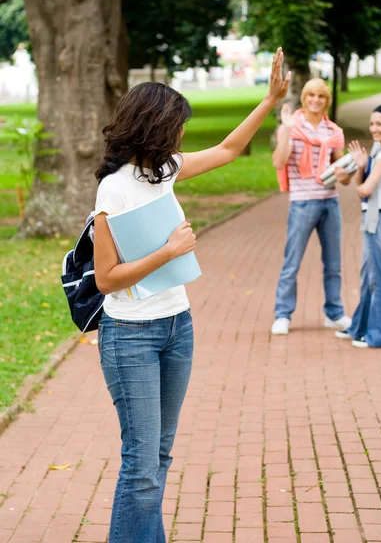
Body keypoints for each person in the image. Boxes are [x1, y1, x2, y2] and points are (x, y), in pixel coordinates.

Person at [93, 48, 290, 543]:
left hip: (177, 326)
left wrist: (269, 100)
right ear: (153, 126)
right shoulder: (114, 191)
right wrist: (171, 249)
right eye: (176, 124)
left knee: (159, 456)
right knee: (140, 466)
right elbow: (107, 279)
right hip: (130, 337)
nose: (181, 133)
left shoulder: (165, 170)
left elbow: (226, 151)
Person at [271, 78, 352, 336]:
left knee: (333, 263)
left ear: (326, 101)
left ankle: (334, 313)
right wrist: (285, 130)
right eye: (311, 95)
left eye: (320, 96)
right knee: (292, 262)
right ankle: (282, 314)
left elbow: (344, 173)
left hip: (330, 202)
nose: (315, 100)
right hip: (302, 202)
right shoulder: (292, 126)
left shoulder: (333, 132)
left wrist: (345, 174)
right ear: (304, 98)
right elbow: (278, 161)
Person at [335, 105, 381, 348]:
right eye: (371, 124)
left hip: (379, 220)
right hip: (374, 218)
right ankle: (360, 328)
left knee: (378, 279)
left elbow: (364, 190)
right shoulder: (379, 149)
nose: (374, 128)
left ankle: (380, 336)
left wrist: (359, 177)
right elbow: (363, 184)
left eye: (380, 124)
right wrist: (361, 164)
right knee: (368, 276)